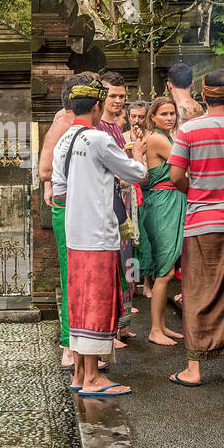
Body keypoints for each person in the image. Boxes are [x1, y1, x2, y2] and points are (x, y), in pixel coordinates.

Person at [52, 79, 148, 397]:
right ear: (96, 107)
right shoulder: (98, 139)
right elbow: (136, 173)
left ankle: (81, 371)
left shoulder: (64, 140)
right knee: (98, 302)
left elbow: (60, 191)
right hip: (99, 233)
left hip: (75, 233)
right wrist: (140, 156)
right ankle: (93, 377)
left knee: (80, 301)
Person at [166, 71, 224, 387]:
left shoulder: (188, 131)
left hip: (200, 223)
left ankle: (194, 369)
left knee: (196, 292)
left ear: (204, 97)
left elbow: (176, 176)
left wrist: (198, 190)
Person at [137, 97, 186, 346]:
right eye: (164, 114)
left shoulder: (168, 137)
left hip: (174, 200)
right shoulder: (156, 138)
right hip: (164, 202)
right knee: (164, 272)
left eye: (172, 113)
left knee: (166, 271)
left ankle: (163, 326)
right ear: (153, 117)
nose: (170, 118)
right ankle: (155, 329)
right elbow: (183, 161)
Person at [39, 77, 80, 369]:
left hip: (81, 208)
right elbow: (45, 168)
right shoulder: (64, 122)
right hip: (71, 207)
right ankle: (68, 344)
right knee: (72, 277)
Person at [96, 71, 136, 344]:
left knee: (128, 260)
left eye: (122, 96)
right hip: (105, 201)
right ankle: (109, 331)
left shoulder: (118, 127)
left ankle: (123, 324)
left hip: (123, 198)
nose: (118, 101)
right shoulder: (97, 128)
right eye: (112, 95)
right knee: (111, 263)